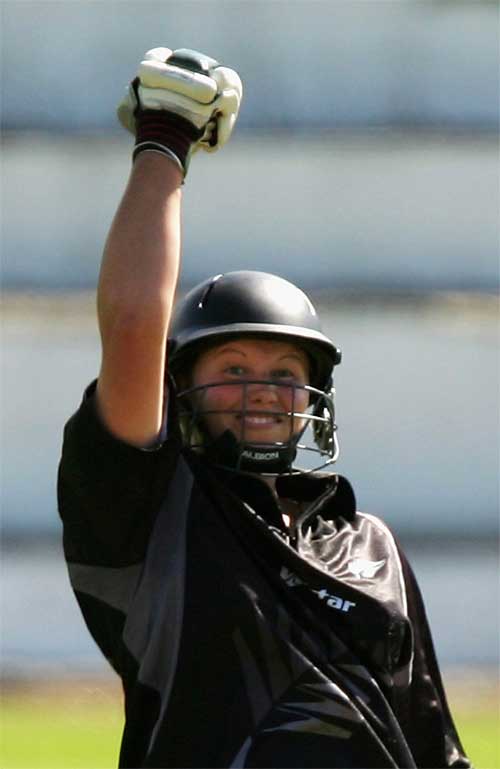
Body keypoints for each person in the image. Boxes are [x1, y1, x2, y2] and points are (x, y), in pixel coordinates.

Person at [58, 47, 471, 768]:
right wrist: (165, 138)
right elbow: (132, 329)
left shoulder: (372, 546)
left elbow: (435, 745)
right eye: (234, 366)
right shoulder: (155, 517)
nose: (263, 388)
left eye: (285, 370)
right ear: (179, 384)